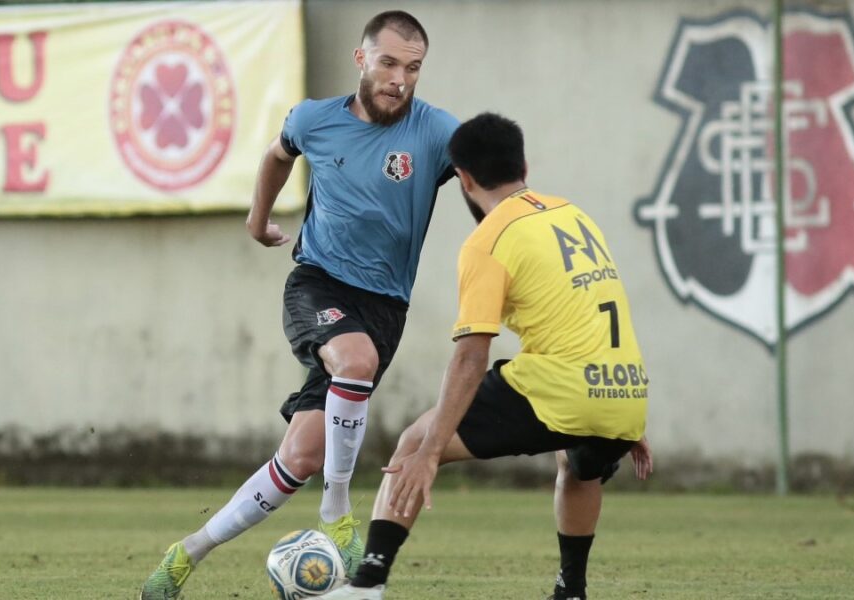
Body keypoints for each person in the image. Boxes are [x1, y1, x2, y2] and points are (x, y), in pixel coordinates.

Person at [140, 10, 459, 599]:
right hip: (318, 283)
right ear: (362, 59)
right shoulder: (316, 118)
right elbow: (276, 157)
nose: (399, 80)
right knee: (355, 363)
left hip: (386, 307)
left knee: (303, 456)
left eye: (413, 69)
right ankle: (338, 517)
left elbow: (485, 177)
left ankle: (186, 553)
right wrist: (258, 222)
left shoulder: (435, 132)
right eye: (388, 63)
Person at [321, 112, 653, 600]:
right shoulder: (572, 213)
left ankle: (367, 584)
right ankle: (571, 591)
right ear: (524, 166)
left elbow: (471, 359)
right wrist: (627, 418)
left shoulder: (488, 239)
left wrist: (431, 452)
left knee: (414, 443)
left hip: (565, 387)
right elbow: (595, 310)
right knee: (579, 463)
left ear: (464, 178)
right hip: (625, 391)